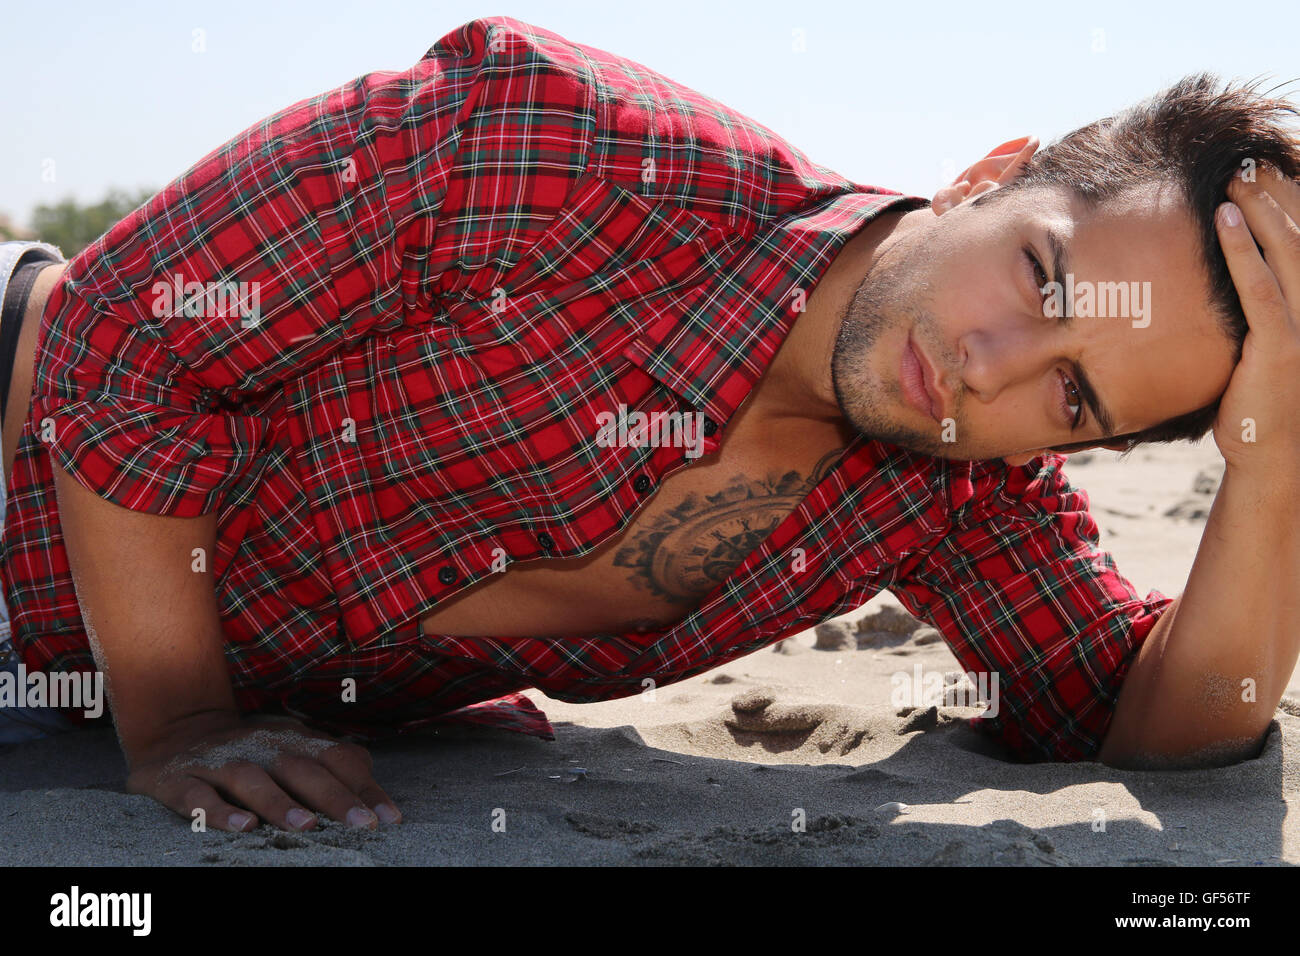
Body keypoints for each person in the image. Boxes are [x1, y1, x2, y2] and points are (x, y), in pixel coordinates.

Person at [2, 16, 1297, 834]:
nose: (990, 370)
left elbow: (1144, 716)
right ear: (988, 176)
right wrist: (174, 722)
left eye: (1073, 397)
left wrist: (1278, 455)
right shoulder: (552, 144)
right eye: (1041, 278)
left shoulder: (960, 494)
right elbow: (127, 329)